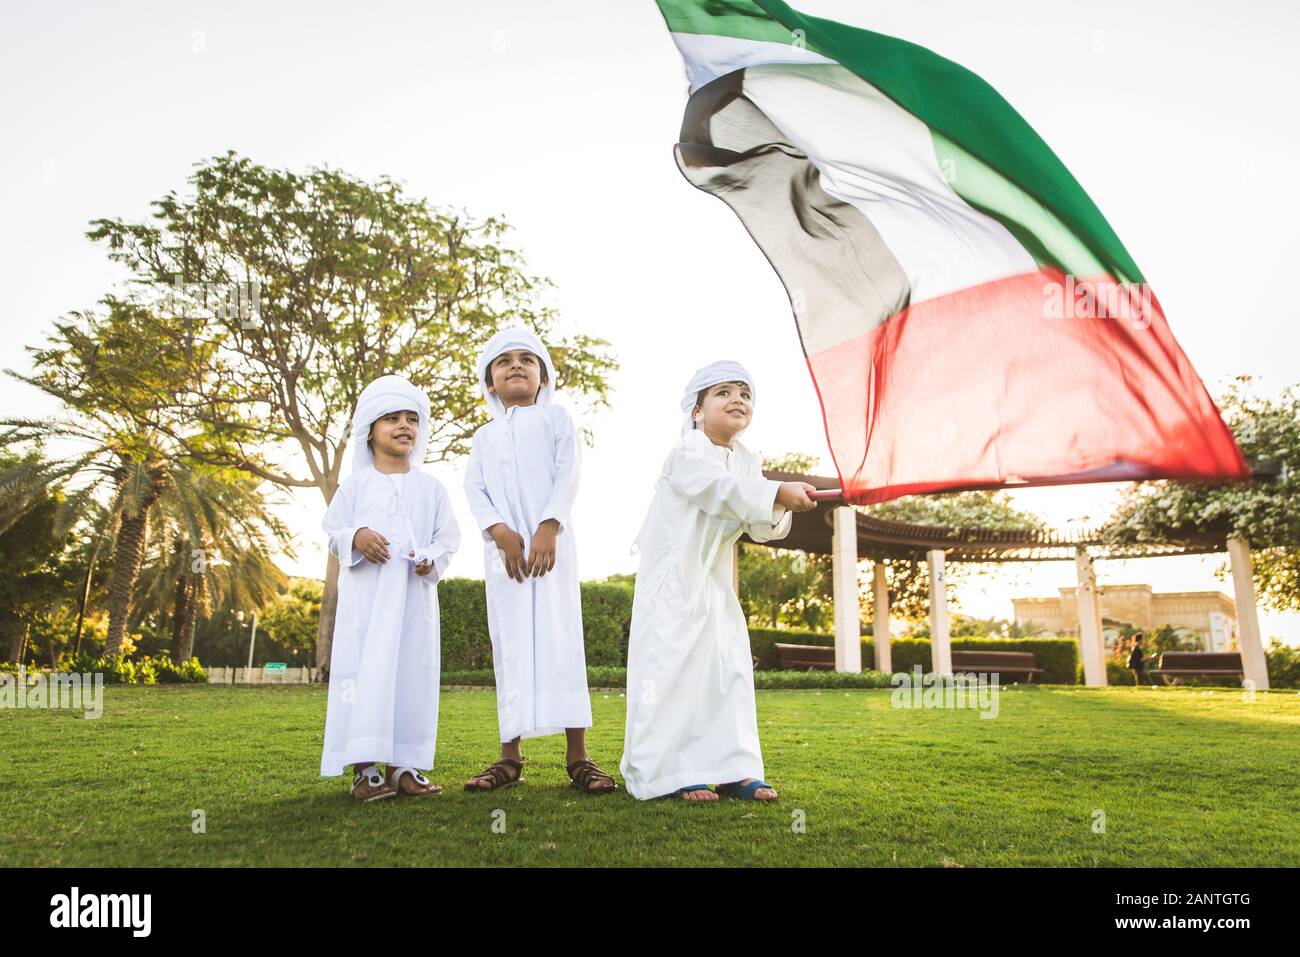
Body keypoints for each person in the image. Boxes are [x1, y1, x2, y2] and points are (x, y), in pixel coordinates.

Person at [621, 361, 817, 801]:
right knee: (671, 675)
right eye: (724, 393)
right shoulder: (687, 452)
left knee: (728, 669)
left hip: (714, 584)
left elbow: (759, 522)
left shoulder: (747, 460)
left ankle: (735, 770)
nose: (738, 400)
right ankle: (665, 773)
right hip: (672, 585)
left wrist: (784, 504)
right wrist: (776, 493)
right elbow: (720, 491)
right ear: (696, 409)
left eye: (745, 394)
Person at [462, 326, 616, 794]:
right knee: (508, 644)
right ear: (490, 381)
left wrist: (548, 525)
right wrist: (500, 531)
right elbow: (474, 489)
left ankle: (579, 757)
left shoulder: (557, 420)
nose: (515, 366)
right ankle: (510, 758)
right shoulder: (483, 437)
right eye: (503, 360)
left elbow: (569, 472)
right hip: (504, 557)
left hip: (552, 551)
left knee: (561, 638)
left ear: (543, 377)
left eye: (526, 359)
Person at [320, 374, 461, 801]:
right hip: (367, 605)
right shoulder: (356, 486)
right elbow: (332, 531)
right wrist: (357, 535)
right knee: (366, 677)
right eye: (392, 418)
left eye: (412, 419)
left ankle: (405, 766)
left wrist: (431, 558)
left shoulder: (431, 487)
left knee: (410, 677)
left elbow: (448, 537)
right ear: (370, 430)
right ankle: (366, 772)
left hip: (413, 603)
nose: (404, 426)